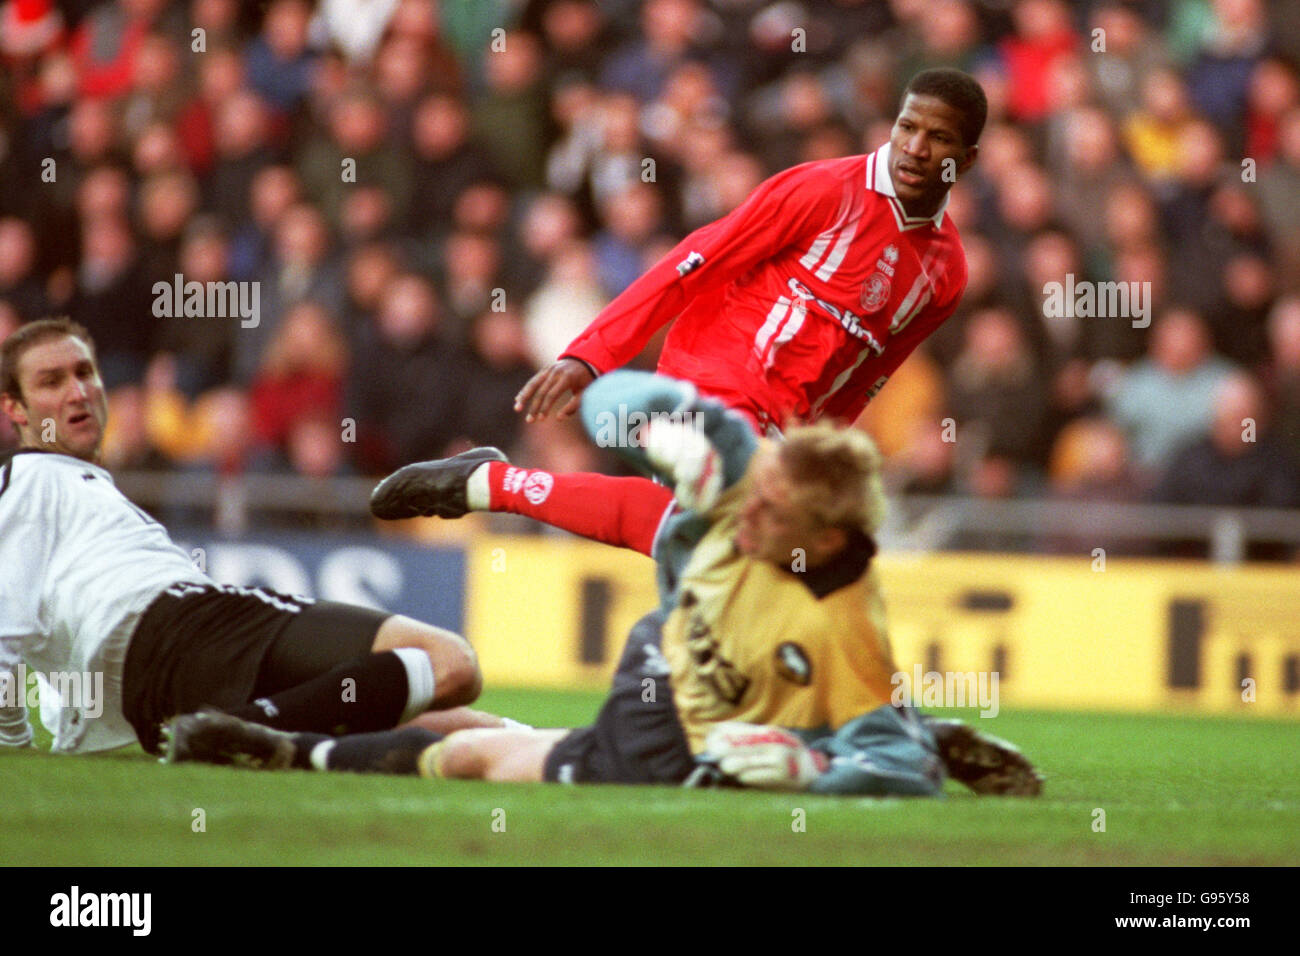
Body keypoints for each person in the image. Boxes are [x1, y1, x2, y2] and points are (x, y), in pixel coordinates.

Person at [167, 371, 1042, 796]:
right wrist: (667, 425)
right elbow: (608, 402)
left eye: (772, 516)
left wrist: (813, 771)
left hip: (675, 739)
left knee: (473, 755)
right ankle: (291, 735)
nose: (747, 516)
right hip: (667, 680)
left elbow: (895, 779)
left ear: (825, 537)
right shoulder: (739, 486)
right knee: (475, 723)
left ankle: (287, 753)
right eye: (754, 495)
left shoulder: (844, 615)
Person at [0, 318, 485, 755]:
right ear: (15, 409)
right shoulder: (31, 480)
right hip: (184, 625)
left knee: (394, 708)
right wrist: (13, 740)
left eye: (85, 372)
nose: (79, 391)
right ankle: (240, 727)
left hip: (156, 698)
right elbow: (5, 625)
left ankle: (540, 746)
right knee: (449, 661)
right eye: (52, 381)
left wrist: (22, 735)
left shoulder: (74, 487)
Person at [515, 67, 986, 435]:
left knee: (695, 543)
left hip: (784, 429)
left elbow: (867, 378)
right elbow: (699, 257)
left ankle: (487, 484)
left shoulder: (947, 273)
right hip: (713, 381)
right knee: (718, 520)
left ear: (966, 159)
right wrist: (591, 354)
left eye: (939, 137)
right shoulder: (825, 189)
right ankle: (500, 486)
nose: (916, 147)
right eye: (907, 127)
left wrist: (819, 450)